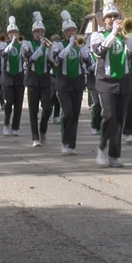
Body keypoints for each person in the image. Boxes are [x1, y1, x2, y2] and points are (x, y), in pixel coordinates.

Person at [90, 0, 132, 168]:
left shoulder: (124, 36)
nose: (113, 19)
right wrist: (113, 33)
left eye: (115, 16)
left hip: (124, 81)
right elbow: (99, 52)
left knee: (119, 119)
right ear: (104, 20)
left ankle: (114, 155)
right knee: (109, 116)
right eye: (109, 16)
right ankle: (102, 148)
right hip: (105, 81)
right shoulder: (97, 35)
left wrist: (128, 37)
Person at [51, 10, 92, 155]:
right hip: (63, 83)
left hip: (77, 82)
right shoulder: (58, 45)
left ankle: (72, 144)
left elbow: (88, 61)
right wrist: (69, 46)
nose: (71, 33)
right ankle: (65, 142)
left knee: (75, 114)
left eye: (73, 30)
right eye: (68, 31)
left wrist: (81, 48)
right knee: (67, 113)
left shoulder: (80, 45)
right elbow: (57, 60)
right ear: (64, 33)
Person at [21, 12, 53, 147]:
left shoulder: (48, 45)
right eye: (37, 32)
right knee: (33, 110)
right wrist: (41, 47)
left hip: (45, 78)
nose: (39, 34)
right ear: (33, 32)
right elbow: (31, 59)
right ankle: (35, 137)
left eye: (41, 32)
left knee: (48, 108)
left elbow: (52, 61)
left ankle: (43, 129)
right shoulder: (26, 44)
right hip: (33, 79)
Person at [0, 16, 26, 136]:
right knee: (9, 102)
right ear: (8, 34)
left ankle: (16, 127)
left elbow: (27, 56)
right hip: (7, 78)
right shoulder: (3, 44)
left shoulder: (22, 45)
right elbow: (3, 54)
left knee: (18, 104)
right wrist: (11, 43)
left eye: (15, 32)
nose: (14, 34)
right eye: (11, 33)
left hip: (19, 77)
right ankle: (6, 124)